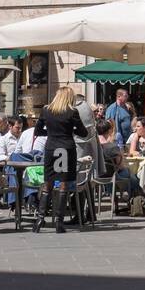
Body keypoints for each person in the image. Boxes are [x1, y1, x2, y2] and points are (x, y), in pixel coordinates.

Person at [32, 87, 89, 234]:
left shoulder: (46, 110)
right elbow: (84, 132)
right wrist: (70, 130)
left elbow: (37, 131)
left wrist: (51, 133)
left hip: (51, 148)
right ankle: (59, 221)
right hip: (66, 148)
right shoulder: (72, 112)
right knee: (63, 184)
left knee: (48, 183)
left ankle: (40, 219)